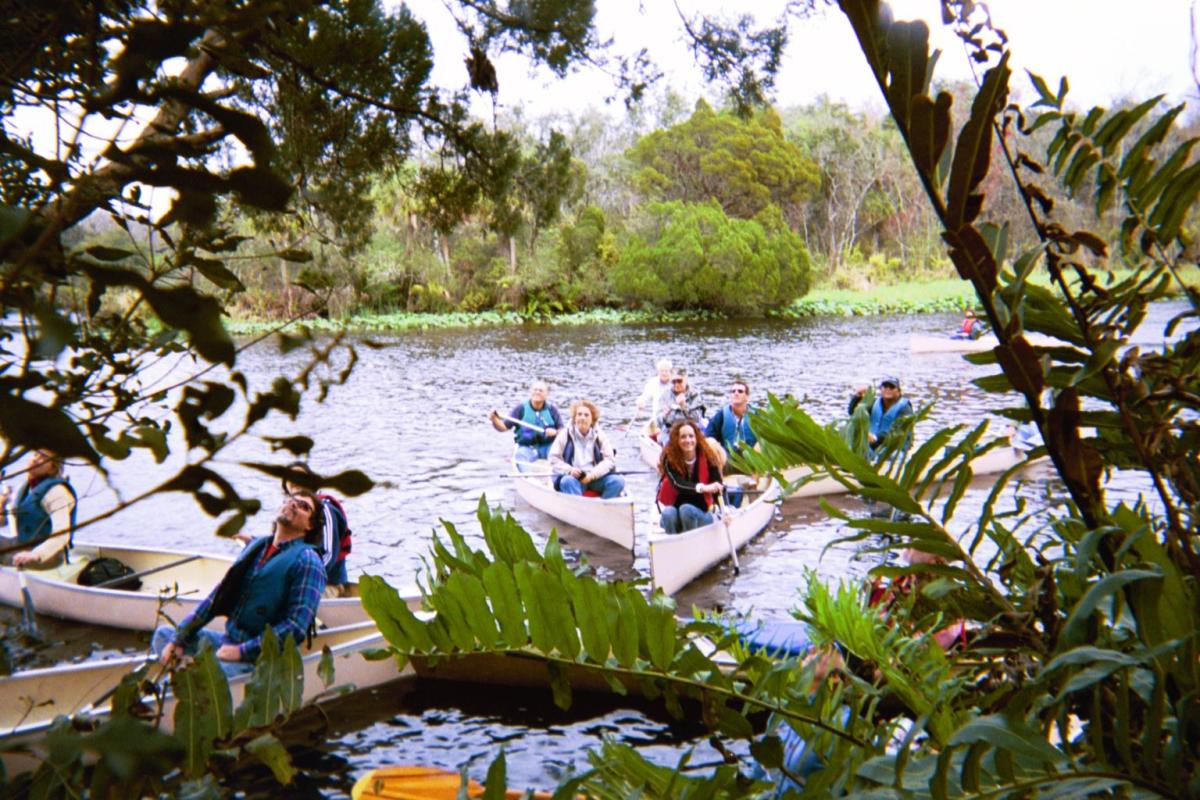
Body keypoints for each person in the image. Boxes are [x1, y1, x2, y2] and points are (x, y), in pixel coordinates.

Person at [151, 489, 326, 678]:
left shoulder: (308, 561)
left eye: (303, 506)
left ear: (310, 525)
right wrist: (179, 639)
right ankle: (184, 675)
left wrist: (241, 652)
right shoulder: (257, 547)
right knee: (164, 635)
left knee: (206, 677)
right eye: (291, 499)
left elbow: (296, 627)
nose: (293, 504)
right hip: (229, 641)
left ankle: (188, 680)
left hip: (263, 659)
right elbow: (215, 599)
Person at [282, 462, 351, 598]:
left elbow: (328, 555)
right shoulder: (288, 514)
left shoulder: (325, 509)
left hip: (326, 584)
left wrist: (302, 576)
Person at [0, 450, 78, 568]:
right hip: (22, 544)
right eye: (35, 454)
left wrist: (35, 555)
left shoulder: (57, 492)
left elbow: (62, 535)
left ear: (53, 469)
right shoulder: (25, 488)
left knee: (7, 558)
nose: (36, 459)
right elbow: (3, 523)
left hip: (49, 556)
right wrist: (1, 505)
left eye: (43, 458)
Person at [656, 421, 725, 534]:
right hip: (677, 510)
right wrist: (702, 488)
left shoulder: (708, 457)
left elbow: (718, 487)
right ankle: (674, 540)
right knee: (667, 513)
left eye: (691, 436)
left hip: (702, 512)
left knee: (686, 510)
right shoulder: (670, 460)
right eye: (683, 437)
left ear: (696, 438)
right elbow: (678, 484)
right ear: (677, 440)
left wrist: (725, 512)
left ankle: (691, 539)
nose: (688, 440)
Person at [548, 399, 626, 499]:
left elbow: (609, 460)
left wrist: (591, 475)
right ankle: (578, 506)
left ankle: (604, 505)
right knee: (566, 481)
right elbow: (553, 458)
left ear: (592, 420)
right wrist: (570, 470)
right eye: (579, 414)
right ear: (575, 418)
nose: (582, 418)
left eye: (586, 415)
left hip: (595, 477)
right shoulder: (565, 434)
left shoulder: (600, 435)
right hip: (574, 478)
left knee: (618, 482)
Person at [490, 380, 562, 463]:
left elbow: (562, 431)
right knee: (521, 457)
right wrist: (494, 420)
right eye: (535, 390)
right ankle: (524, 469)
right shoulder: (521, 408)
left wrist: (556, 432)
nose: (537, 392)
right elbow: (503, 427)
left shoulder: (552, 410)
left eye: (541, 390)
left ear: (547, 394)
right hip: (527, 447)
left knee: (560, 454)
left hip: (547, 446)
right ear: (531, 392)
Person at [848, 375, 913, 455]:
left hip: (894, 448)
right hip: (873, 446)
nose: (888, 389)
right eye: (885, 387)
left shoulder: (905, 408)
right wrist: (857, 397)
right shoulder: (874, 403)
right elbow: (853, 413)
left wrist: (875, 438)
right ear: (881, 389)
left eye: (892, 387)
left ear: (899, 392)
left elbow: (899, 430)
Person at [705, 379, 758, 458]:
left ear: (747, 397)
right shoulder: (721, 415)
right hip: (728, 458)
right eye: (733, 391)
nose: (736, 393)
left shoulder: (756, 415)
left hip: (752, 458)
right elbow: (709, 435)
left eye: (740, 391)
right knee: (709, 441)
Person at [656, 367, 705, 444]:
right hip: (671, 431)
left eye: (679, 381)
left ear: (686, 380)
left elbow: (697, 418)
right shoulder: (665, 396)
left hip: (691, 431)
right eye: (673, 382)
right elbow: (658, 423)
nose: (676, 384)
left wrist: (684, 406)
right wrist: (664, 415)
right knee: (668, 444)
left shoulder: (695, 395)